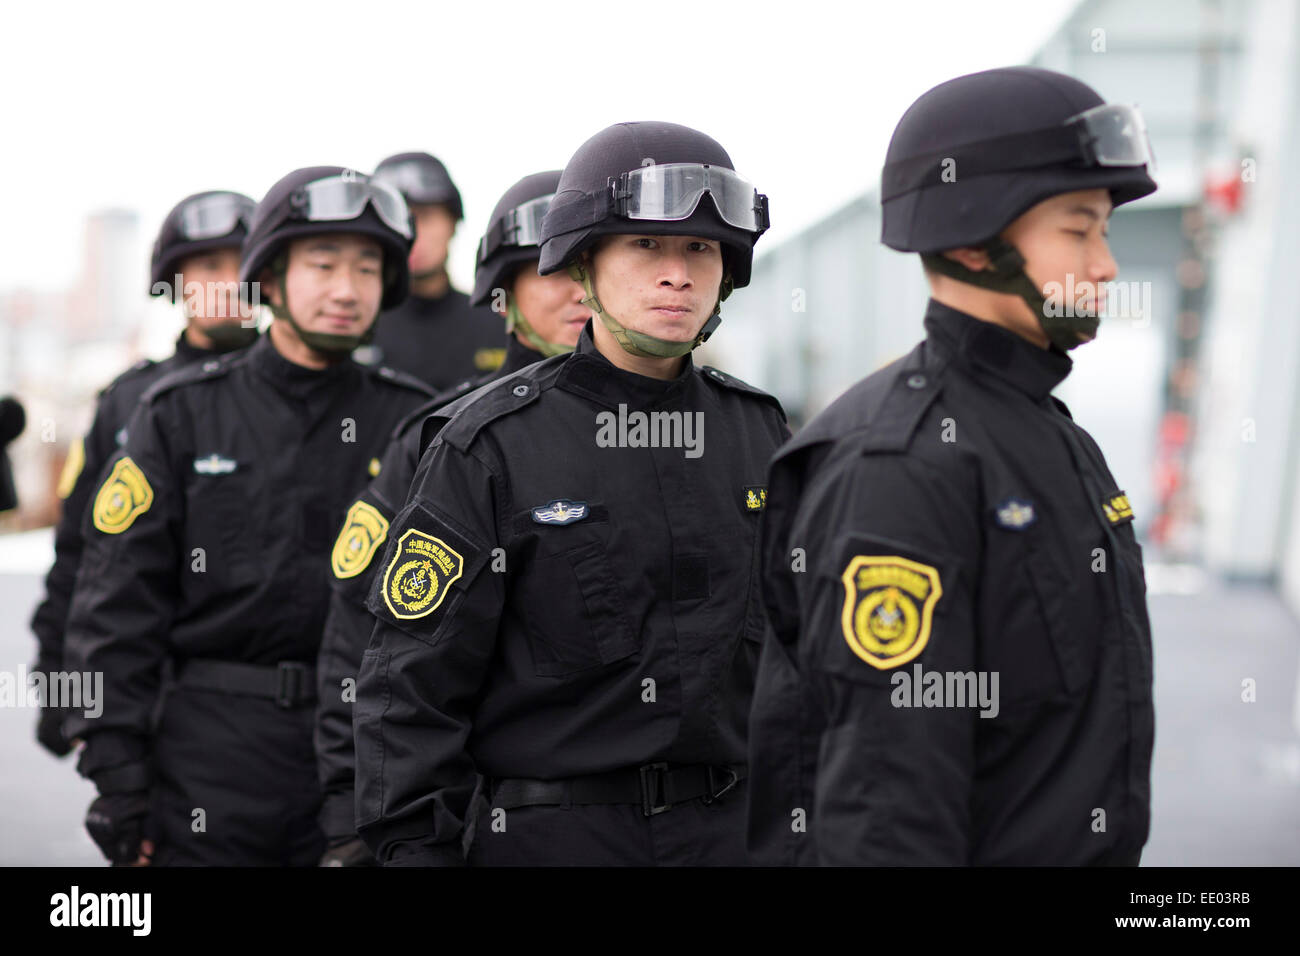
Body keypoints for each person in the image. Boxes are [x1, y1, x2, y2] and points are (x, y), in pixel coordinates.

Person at [746, 66, 1158, 866]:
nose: (1105, 266)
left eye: (1103, 231)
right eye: (1079, 230)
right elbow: (885, 813)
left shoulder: (1051, 435)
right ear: (973, 239)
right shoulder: (897, 466)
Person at [352, 122, 789, 866]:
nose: (677, 274)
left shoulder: (761, 434)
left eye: (701, 249)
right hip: (554, 838)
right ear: (583, 265)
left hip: (736, 838)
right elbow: (410, 692)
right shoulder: (489, 445)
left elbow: (804, 667)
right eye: (646, 246)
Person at [63, 167, 434, 866]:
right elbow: (115, 605)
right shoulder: (176, 416)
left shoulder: (417, 423)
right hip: (209, 755)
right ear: (267, 278)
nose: (347, 289)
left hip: (370, 755)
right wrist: (118, 777)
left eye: (366, 268)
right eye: (322, 265)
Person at [314, 169, 590, 866]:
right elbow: (365, 646)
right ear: (503, 292)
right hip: (493, 820)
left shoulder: (706, 430)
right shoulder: (444, 436)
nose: (579, 290)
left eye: (594, 264)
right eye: (551, 269)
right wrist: (357, 817)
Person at [31, 190, 258, 758]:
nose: (230, 282)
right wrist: (62, 686)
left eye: (244, 264)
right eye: (209, 266)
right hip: (156, 698)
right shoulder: (127, 402)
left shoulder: (310, 396)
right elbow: (79, 557)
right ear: (174, 282)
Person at [360, 151, 507, 390]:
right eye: (397, 220)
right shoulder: (350, 325)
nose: (412, 234)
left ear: (454, 222)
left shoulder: (501, 323)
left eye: (425, 217)